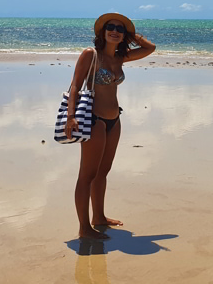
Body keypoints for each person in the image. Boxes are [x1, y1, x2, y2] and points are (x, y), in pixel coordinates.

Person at [64, 13, 156, 239]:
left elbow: (150, 48)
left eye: (119, 29)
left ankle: (99, 218)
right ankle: (84, 228)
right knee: (87, 174)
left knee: (103, 172)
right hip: (93, 120)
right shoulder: (90, 55)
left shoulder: (119, 58)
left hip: (114, 120)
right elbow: (75, 85)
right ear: (102, 32)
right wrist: (70, 116)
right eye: (110, 27)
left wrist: (130, 32)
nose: (115, 30)